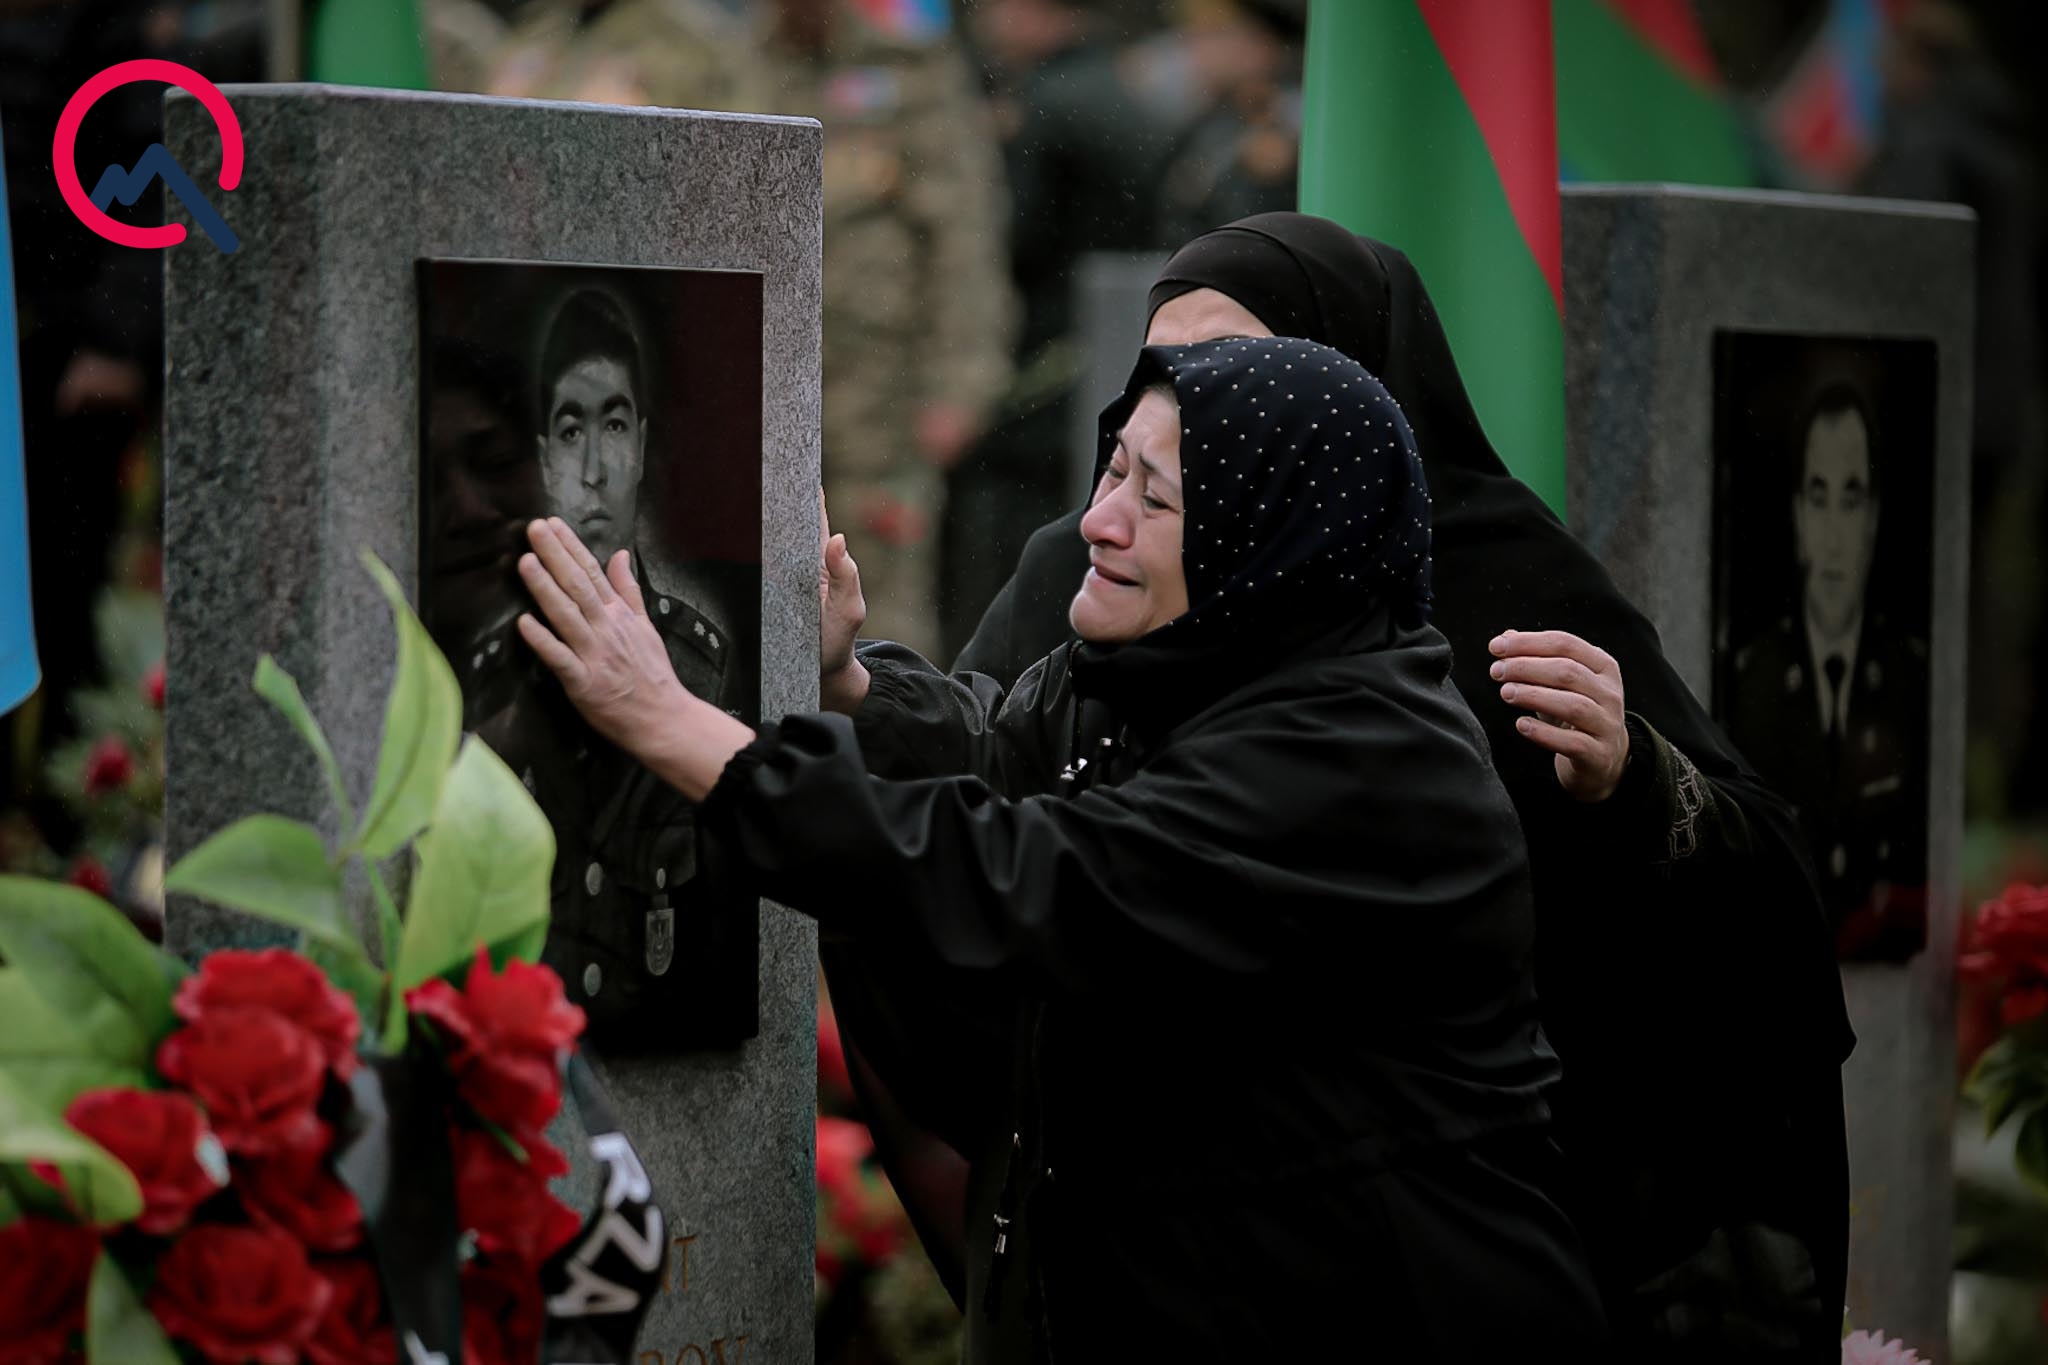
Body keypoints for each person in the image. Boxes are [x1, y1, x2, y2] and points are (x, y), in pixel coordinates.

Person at [515, 334, 1609, 1356]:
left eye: (1157, 497)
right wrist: (842, 680)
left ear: (1269, 540)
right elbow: (1003, 757)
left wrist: (667, 721)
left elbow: (1017, 874)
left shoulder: (1362, 758)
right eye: (1112, 469)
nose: (1097, 520)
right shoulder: (1186, 667)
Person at [911, 214, 1851, 1359]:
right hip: (1137, 1235)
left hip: (1400, 1255)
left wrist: (1633, 780)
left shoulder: (1495, 581)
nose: (1194, 407)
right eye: (1165, 372)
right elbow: (962, 807)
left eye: (1238, 370)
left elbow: (1767, 909)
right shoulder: (1084, 561)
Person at [458, 287, 757, 1039]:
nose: (594, 468)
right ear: (541, 455)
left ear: (645, 444)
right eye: (570, 428)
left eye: (615, 424)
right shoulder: (486, 674)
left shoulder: (702, 664)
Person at [752, 0, 1015, 659]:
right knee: (762, 586)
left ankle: (890, 747)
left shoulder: (908, 67)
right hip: (760, 374)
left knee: (879, 593)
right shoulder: (743, 58)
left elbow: (963, 234)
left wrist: (961, 381)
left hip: (880, 388)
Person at [1730, 384, 1929, 961]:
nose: (1835, 532)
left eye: (1852, 496)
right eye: (1819, 497)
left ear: (1873, 519)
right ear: (1797, 517)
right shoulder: (1754, 681)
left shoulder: (1909, 679)